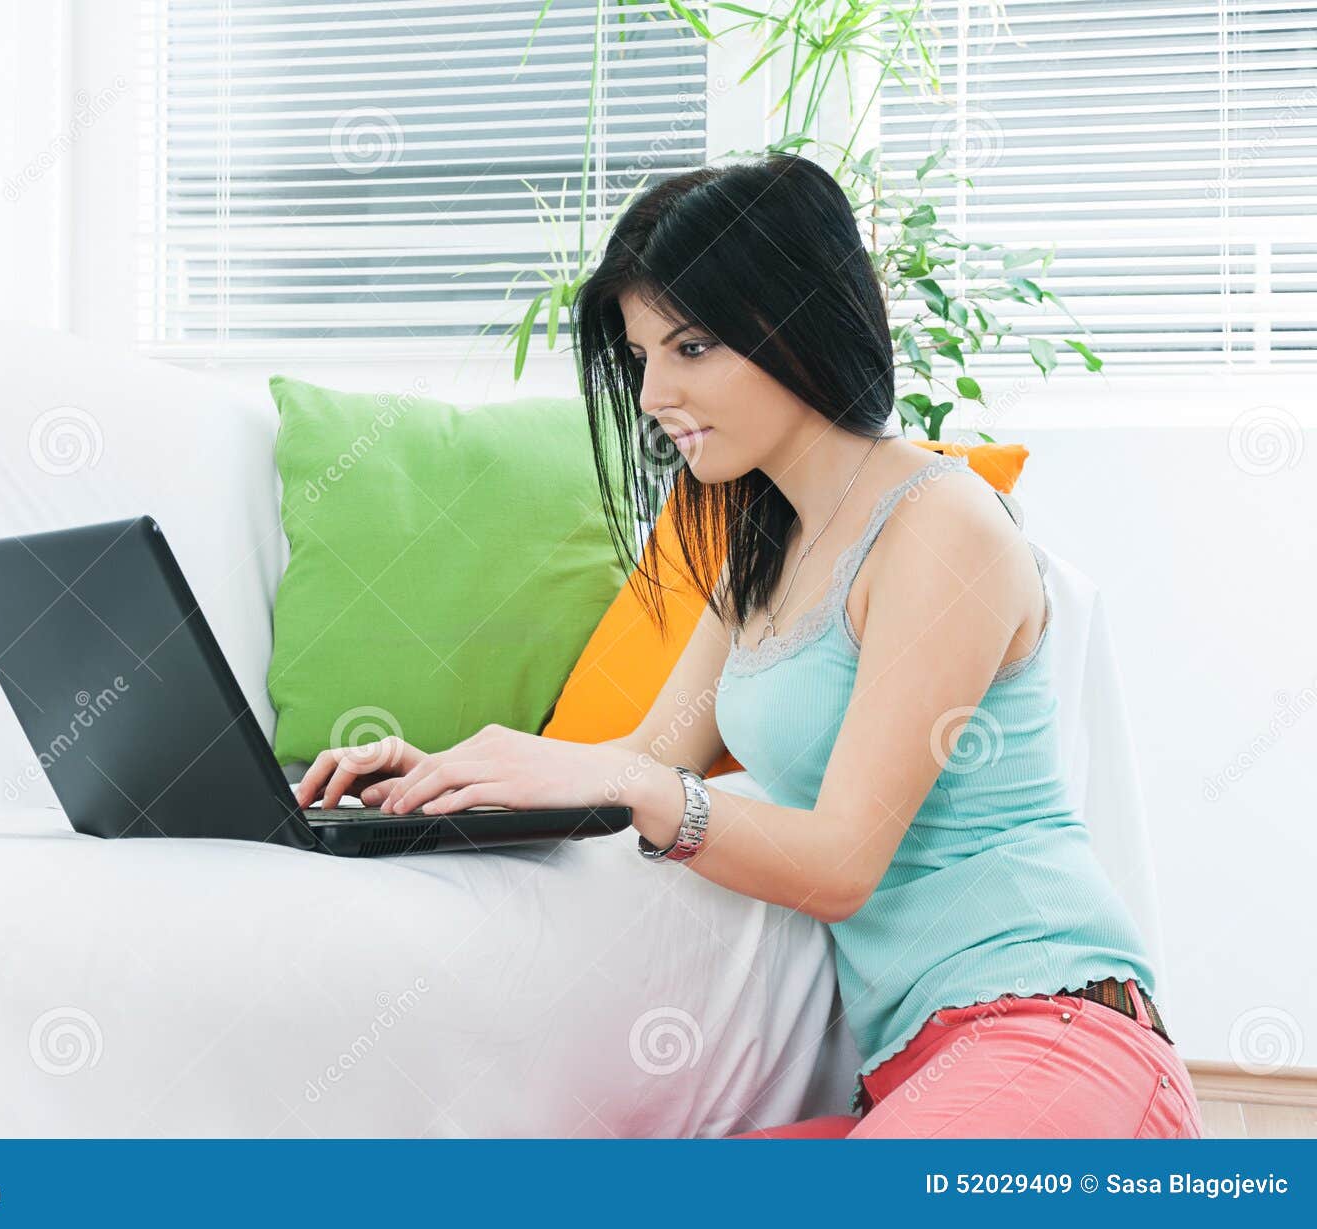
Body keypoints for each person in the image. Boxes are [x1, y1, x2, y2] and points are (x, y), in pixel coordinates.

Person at [294, 153, 1202, 1138]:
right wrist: (445, 775)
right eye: (642, 355)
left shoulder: (942, 524)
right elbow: (641, 759)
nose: (653, 393)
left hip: (1055, 1032)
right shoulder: (758, 556)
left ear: (799, 323)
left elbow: (841, 861)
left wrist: (640, 788)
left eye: (691, 346)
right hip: (909, 1075)